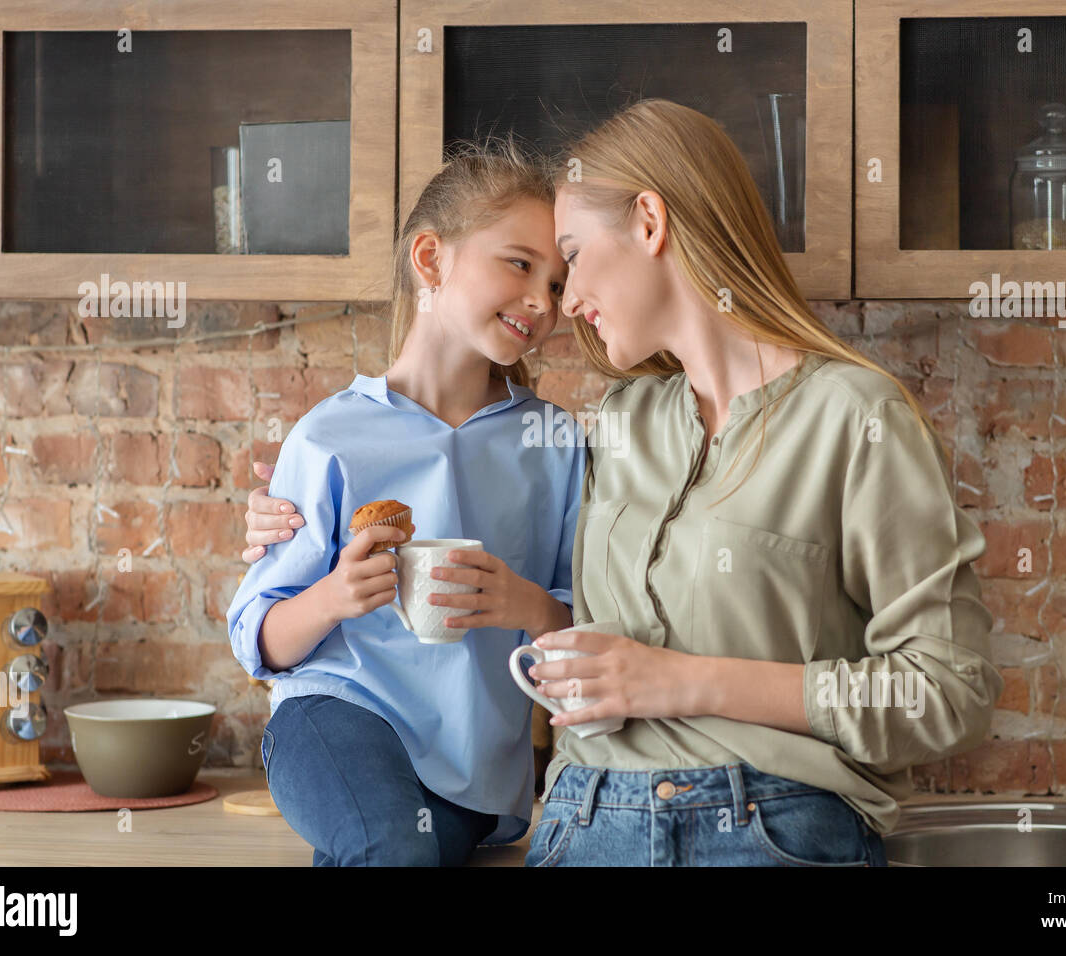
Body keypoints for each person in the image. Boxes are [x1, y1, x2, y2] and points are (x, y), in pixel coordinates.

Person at [244, 99, 1003, 867]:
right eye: (535, 266)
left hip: (769, 824)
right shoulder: (615, 428)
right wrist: (293, 522)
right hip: (583, 822)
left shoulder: (853, 418)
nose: (561, 303)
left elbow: (948, 693)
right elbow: (491, 521)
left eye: (571, 258)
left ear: (649, 222)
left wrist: (684, 682)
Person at [226, 136, 583, 866]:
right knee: (391, 845)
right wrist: (331, 597)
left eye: (557, 283)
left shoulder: (556, 444)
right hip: (334, 718)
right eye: (519, 264)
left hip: (469, 771)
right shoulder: (328, 436)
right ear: (431, 259)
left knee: (397, 853)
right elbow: (259, 640)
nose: (541, 302)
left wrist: (527, 605)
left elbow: (590, 625)